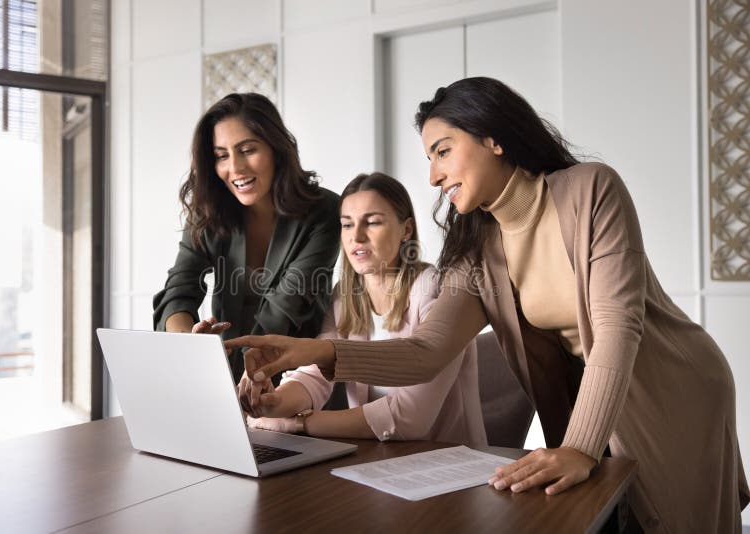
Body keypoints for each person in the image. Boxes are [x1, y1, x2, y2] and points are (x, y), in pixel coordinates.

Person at [227, 78, 749, 532]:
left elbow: (616, 326)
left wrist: (579, 447)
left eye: (443, 151)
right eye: (429, 158)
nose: (432, 176)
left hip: (673, 386)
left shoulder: (591, 189)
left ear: (494, 137)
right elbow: (425, 351)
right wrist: (312, 351)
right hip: (603, 393)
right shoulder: (478, 245)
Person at [239, 173, 485, 448]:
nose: (356, 236)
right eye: (347, 225)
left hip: (447, 465)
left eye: (373, 222)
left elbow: (410, 418)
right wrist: (277, 402)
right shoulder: (345, 296)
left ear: (406, 231)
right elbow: (317, 372)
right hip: (379, 460)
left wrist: (297, 424)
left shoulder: (436, 290)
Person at [152, 92, 341, 384]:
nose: (235, 168)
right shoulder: (209, 212)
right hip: (223, 381)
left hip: (300, 384)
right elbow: (179, 289)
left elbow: (284, 308)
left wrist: (226, 379)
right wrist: (189, 344)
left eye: (248, 150)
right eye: (221, 156)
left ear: (276, 149)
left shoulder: (324, 211)